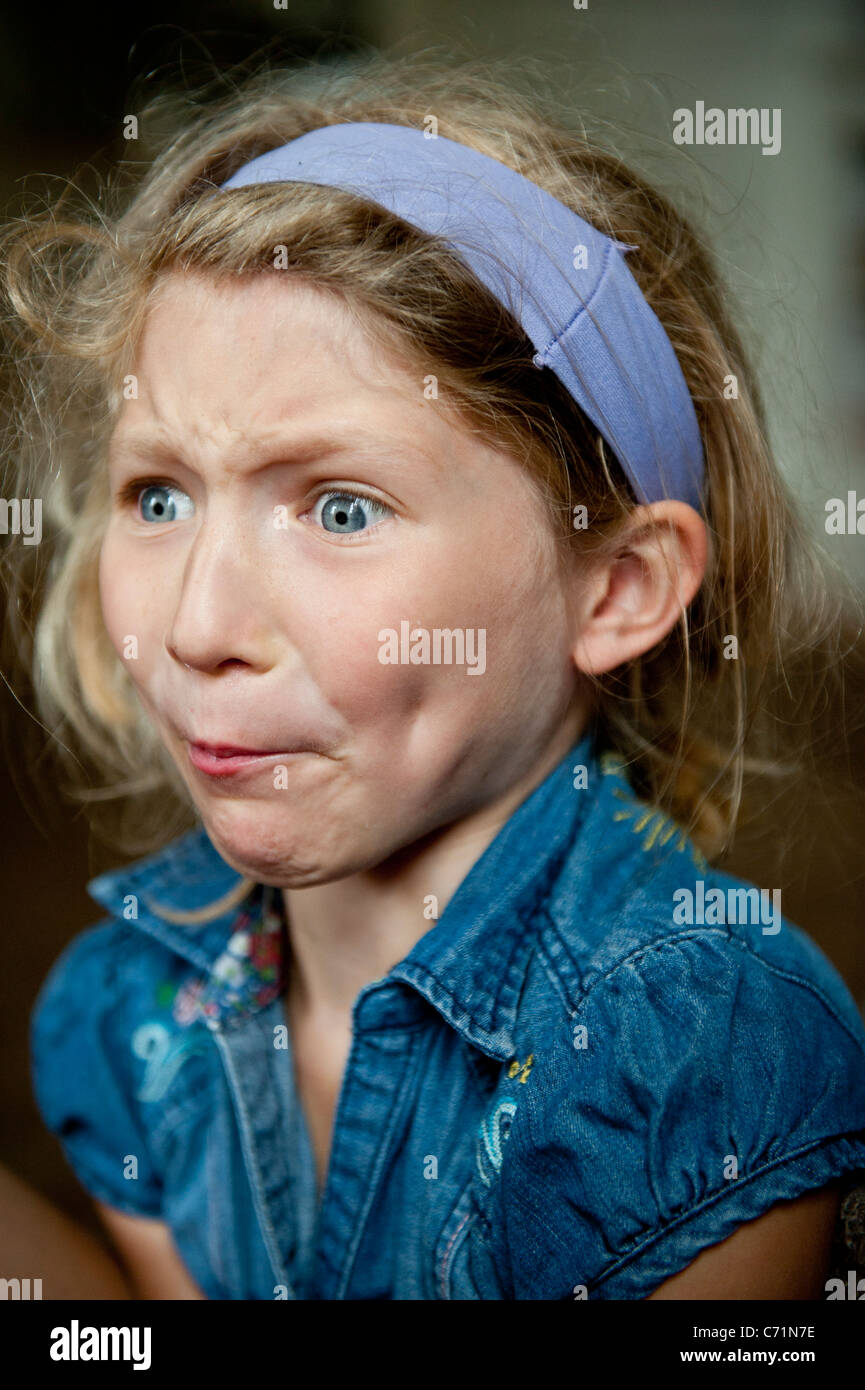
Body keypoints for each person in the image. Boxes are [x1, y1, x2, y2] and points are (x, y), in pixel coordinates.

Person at [3, 50, 865, 1300]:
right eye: (158, 495)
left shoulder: (697, 1058)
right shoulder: (126, 1009)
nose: (197, 624)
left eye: (342, 508)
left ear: (614, 588)